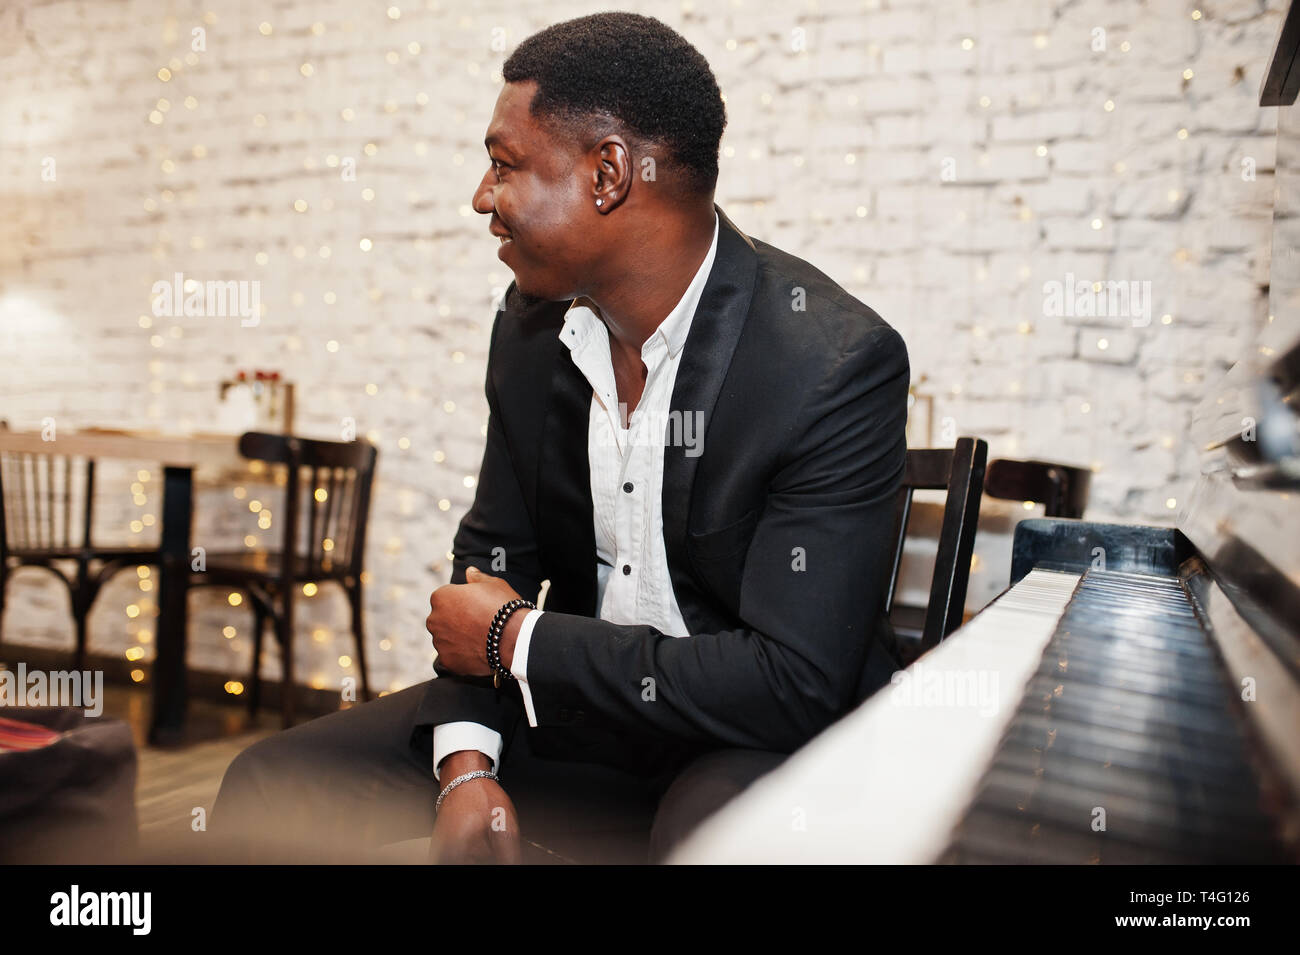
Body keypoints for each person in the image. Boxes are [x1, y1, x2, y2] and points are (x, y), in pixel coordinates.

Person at [212, 10, 909, 865]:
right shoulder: (533, 330)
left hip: (747, 738)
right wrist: (468, 769)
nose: (481, 198)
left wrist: (520, 640)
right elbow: (489, 570)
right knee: (275, 776)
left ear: (608, 172)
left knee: (712, 839)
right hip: (581, 713)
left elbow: (794, 681)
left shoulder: (829, 362)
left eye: (504, 166)